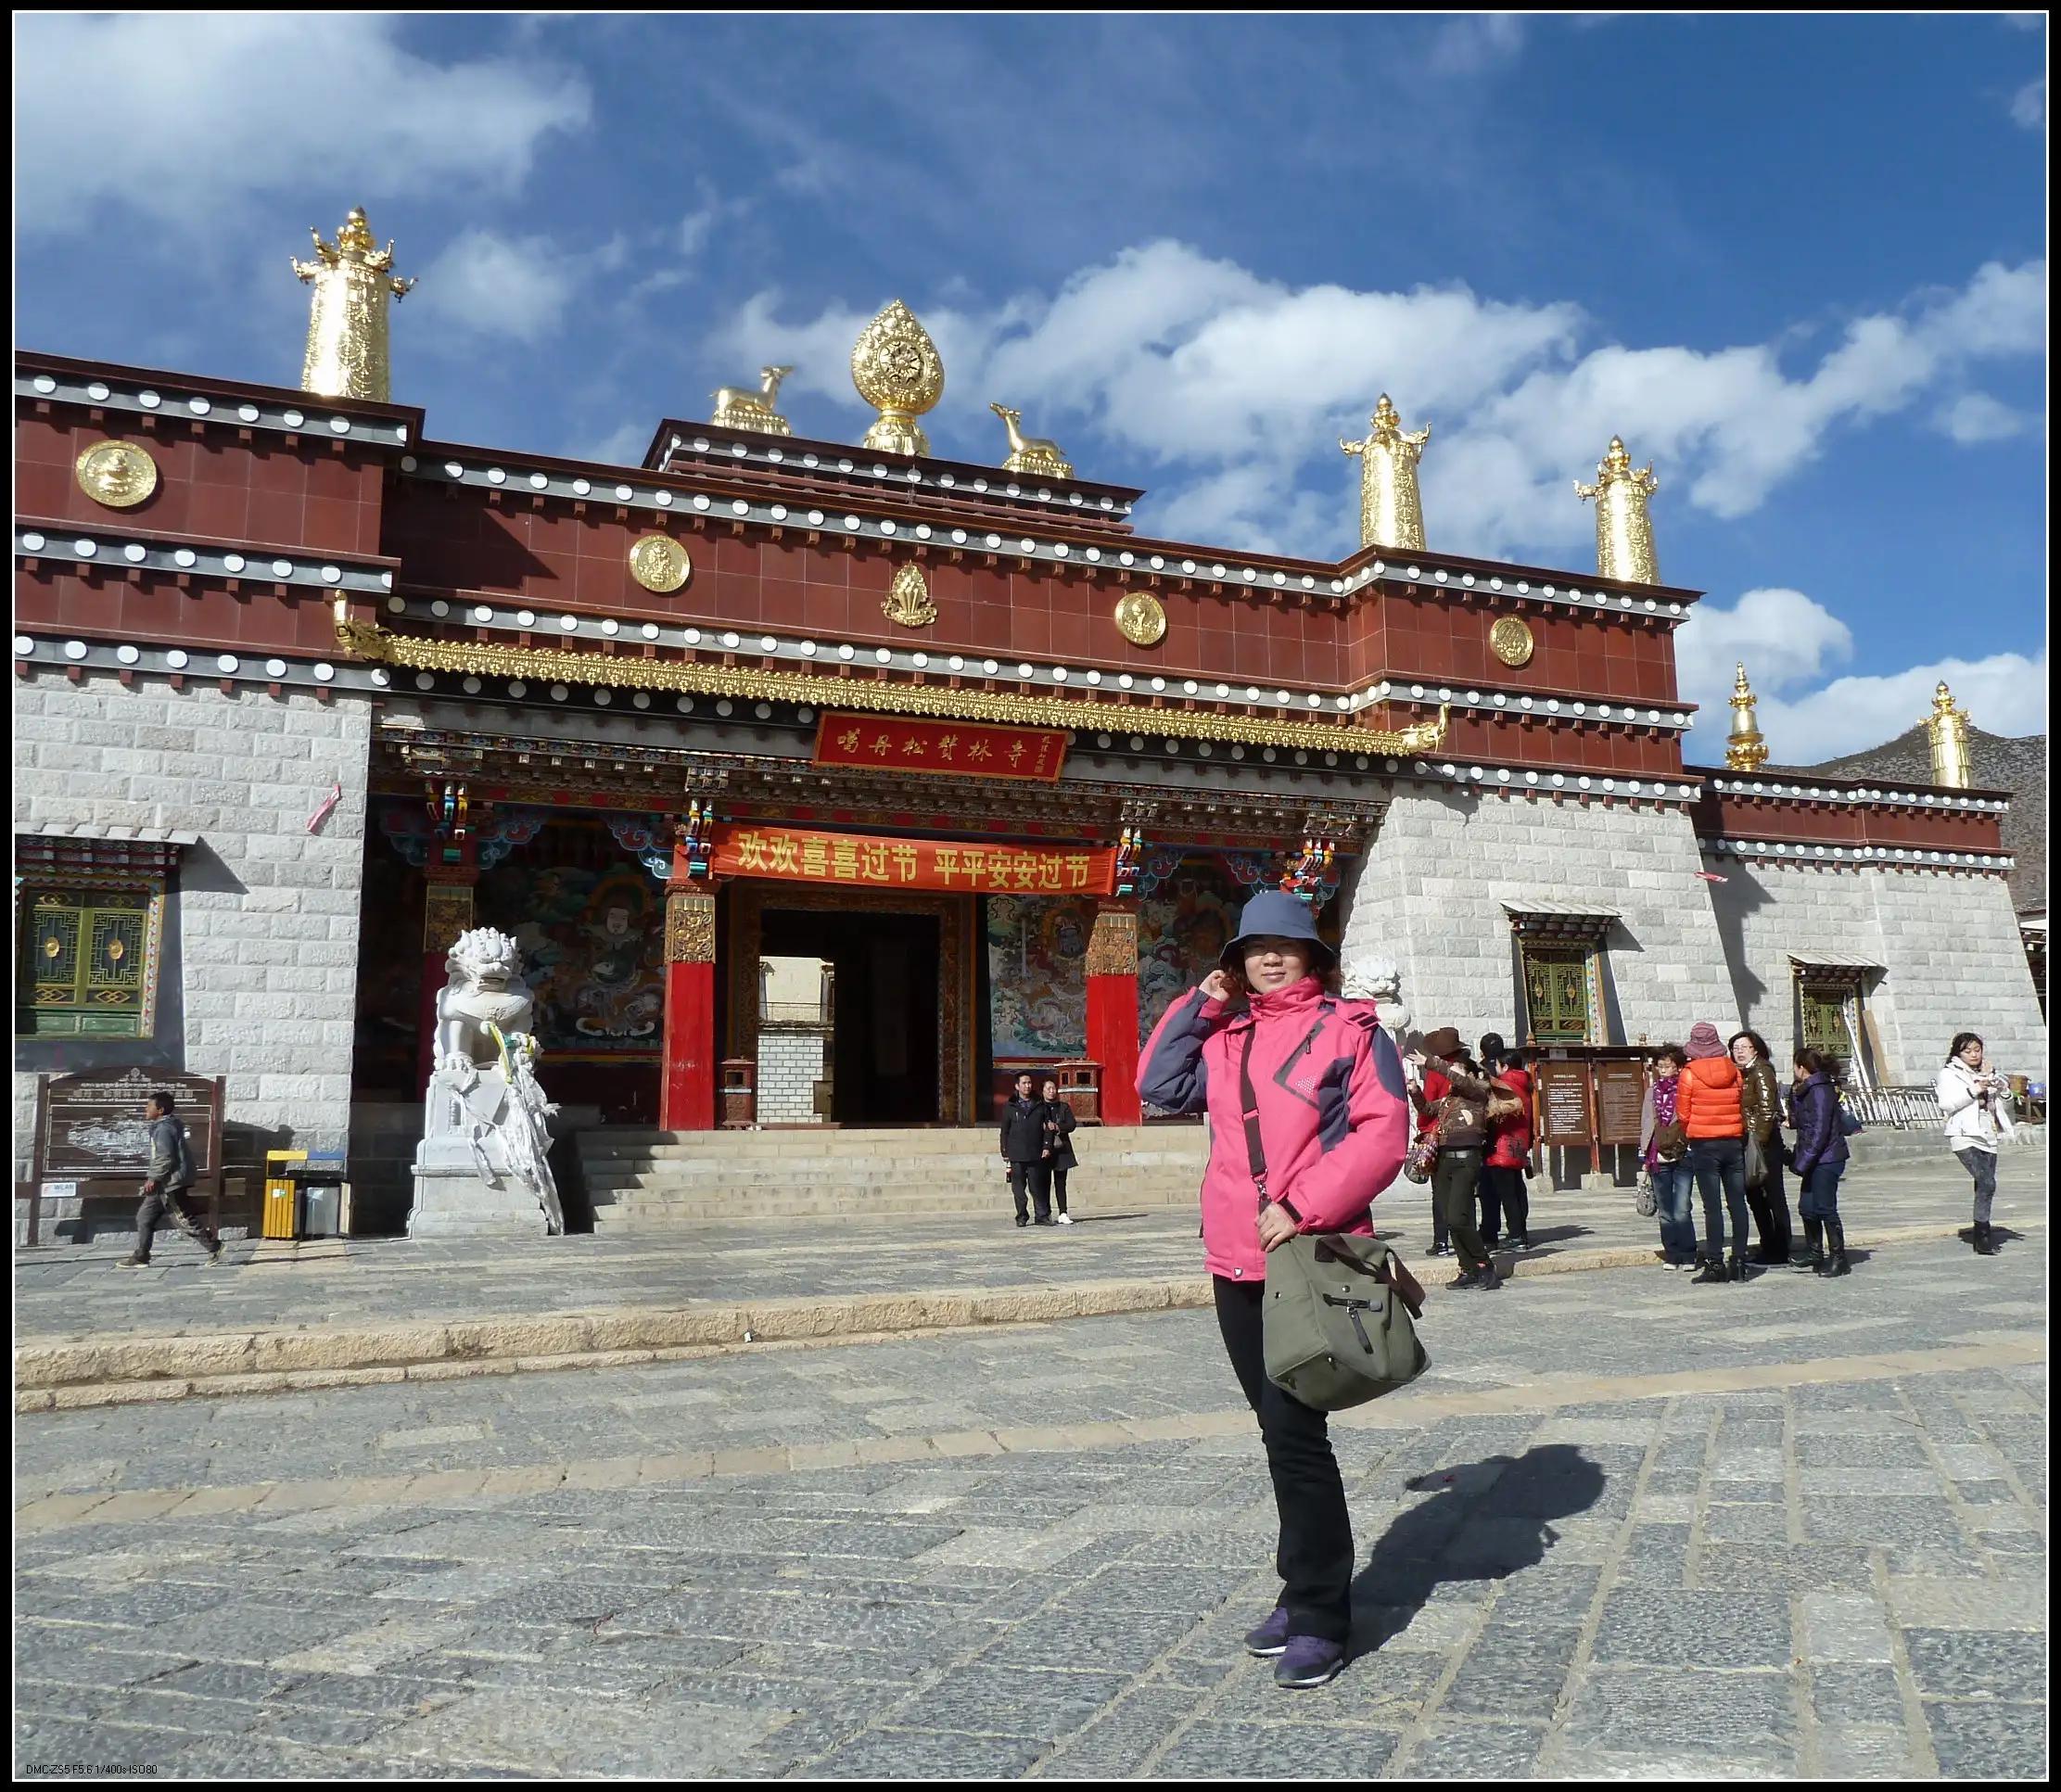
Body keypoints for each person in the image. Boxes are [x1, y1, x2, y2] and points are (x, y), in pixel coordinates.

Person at [1138, 888, 1408, 1690]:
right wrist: (1200, 1002)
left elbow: (1383, 1131)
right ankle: (1301, 1588)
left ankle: (1322, 1611)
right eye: (1252, 948)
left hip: (1306, 1252)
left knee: (1294, 1434)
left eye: (1284, 946)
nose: (1268, 957)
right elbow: (1159, 1082)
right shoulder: (1225, 1038)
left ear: (1312, 957)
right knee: (1275, 1431)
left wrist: (1301, 1204)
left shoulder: (1350, 1031)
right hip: (1233, 1258)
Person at [1418, 1030, 1501, 1291]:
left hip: (1467, 1159)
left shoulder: (1477, 1090)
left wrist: (1432, 1063)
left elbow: (1460, 1080)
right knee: (1449, 1214)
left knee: (1457, 1217)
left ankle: (1484, 1264)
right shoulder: (1451, 1100)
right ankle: (1467, 1268)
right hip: (1445, 1160)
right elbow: (1428, 1109)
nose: (1452, 1073)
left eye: (1456, 1068)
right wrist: (1414, 1093)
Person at [1678, 1021, 1749, 1283]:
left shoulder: (1689, 1074)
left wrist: (1694, 1129)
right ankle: (1740, 1261)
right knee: (1737, 1204)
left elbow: (1683, 1113)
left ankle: (1716, 1262)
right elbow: (1740, 1100)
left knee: (1712, 1207)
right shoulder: (1734, 1070)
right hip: (1732, 1142)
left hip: (1704, 1145)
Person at [118, 1089, 223, 1268]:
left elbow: (165, 1157)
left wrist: (153, 1178)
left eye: (149, 1106)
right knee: (144, 1217)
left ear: (160, 1110)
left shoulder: (165, 1129)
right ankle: (141, 1256)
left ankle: (214, 1246)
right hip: (163, 1182)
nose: (146, 1109)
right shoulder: (165, 1126)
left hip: (170, 1182)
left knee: (181, 1219)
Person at [1937, 1033, 2009, 1256]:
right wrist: (1975, 1090)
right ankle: (1983, 1235)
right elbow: (1946, 1104)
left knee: (1983, 1187)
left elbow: (2006, 1097)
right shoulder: (1950, 1074)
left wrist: (1998, 1084)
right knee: (1988, 1182)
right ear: (1958, 1052)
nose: (1974, 1055)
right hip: (1963, 1134)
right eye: (1968, 1051)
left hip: (1988, 1133)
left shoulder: (1989, 1071)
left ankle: (1982, 1233)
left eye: (1977, 1049)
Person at [1730, 1030, 1794, 1265]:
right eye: (1735, 1048)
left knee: (1773, 1195)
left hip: (1764, 1144)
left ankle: (1780, 1247)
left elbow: (1767, 1110)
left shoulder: (1762, 1071)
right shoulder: (1740, 1073)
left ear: (1755, 1049)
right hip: (1748, 1141)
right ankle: (1768, 1242)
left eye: (1743, 1047)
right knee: (1754, 1196)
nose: (1739, 1052)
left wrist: (1759, 1140)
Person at [1789, 1048, 1851, 1277]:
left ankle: (1839, 1258)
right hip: (1814, 1158)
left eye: (1794, 1065)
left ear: (1802, 1068)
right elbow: (1803, 1122)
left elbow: (1820, 1131)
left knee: (1825, 1208)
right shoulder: (1807, 1090)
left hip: (1827, 1157)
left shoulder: (1820, 1091)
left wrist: (1802, 1162)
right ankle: (1814, 1251)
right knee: (1807, 1207)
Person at [1639, 1045, 1698, 1269]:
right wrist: (1644, 1152)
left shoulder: (1686, 1089)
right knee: (1665, 1209)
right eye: (1660, 1064)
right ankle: (1672, 1253)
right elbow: (1646, 1122)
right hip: (1658, 1155)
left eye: (1668, 1064)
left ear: (1678, 1066)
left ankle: (1689, 1252)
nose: (1663, 1068)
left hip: (1683, 1153)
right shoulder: (1651, 1092)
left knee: (1682, 1206)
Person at [1479, 1035, 1533, 1252]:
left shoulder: (1504, 1085)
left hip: (1500, 1145)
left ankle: (1515, 1235)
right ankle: (1519, 1233)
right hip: (1518, 1145)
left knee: (1499, 1193)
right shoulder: (1524, 1083)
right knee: (1515, 1191)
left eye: (1500, 1066)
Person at [999, 1071, 1051, 1226]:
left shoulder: (1040, 1104)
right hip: (1016, 1153)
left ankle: (1041, 1216)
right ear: (1017, 1086)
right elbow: (1005, 1130)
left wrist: (1047, 1146)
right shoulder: (1010, 1106)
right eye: (1024, 1083)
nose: (1027, 1086)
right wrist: (1004, 1150)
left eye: (1029, 1083)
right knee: (1019, 1189)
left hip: (1035, 1152)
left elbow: (1048, 1127)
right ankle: (1022, 1215)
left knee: (1037, 1187)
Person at [1037, 1074, 1079, 1225]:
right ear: (1042, 1091)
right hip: (1044, 1150)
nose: (1051, 1091)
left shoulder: (1063, 1107)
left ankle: (1063, 1212)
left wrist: (1058, 1127)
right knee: (1044, 1183)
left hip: (1062, 1150)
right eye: (1048, 1089)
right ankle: (1045, 1213)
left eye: (1054, 1088)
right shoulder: (1039, 1108)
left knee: (1061, 1183)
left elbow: (1072, 1125)